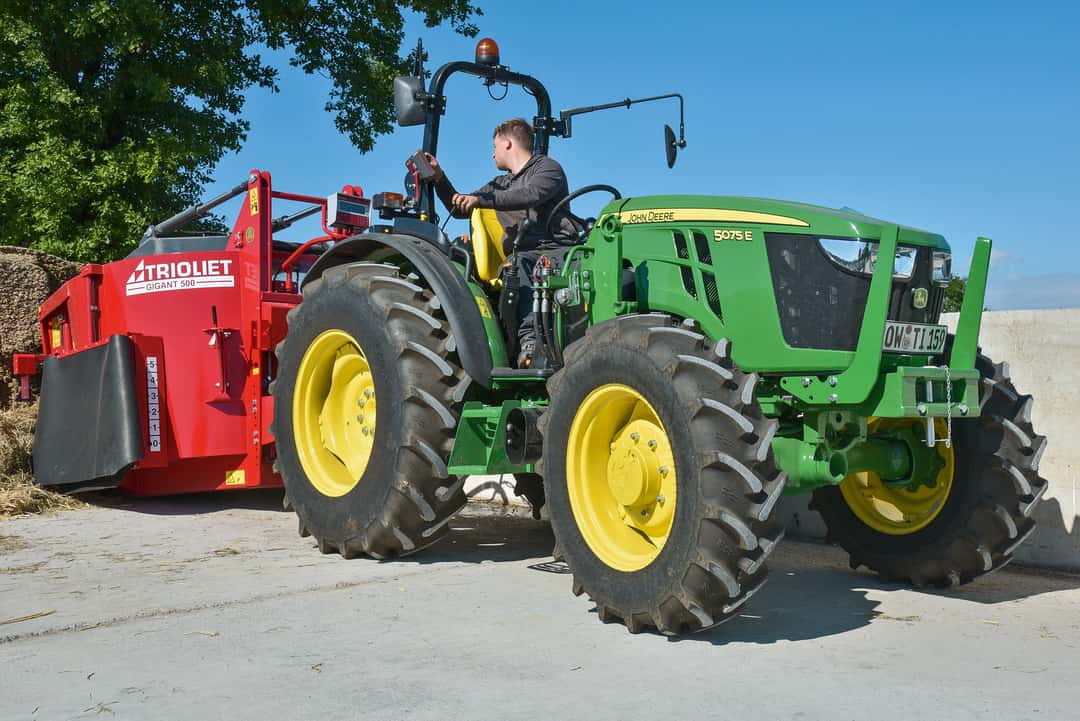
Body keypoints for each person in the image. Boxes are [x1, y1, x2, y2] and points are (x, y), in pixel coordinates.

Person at [425, 118, 578, 367]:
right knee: (519, 264)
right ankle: (529, 344)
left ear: (507, 143)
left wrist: (482, 200)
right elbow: (461, 206)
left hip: (558, 250)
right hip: (524, 258)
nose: (492, 153)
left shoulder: (547, 168)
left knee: (531, 264)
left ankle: (559, 339)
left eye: (494, 146)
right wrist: (439, 178)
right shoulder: (500, 184)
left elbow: (530, 194)